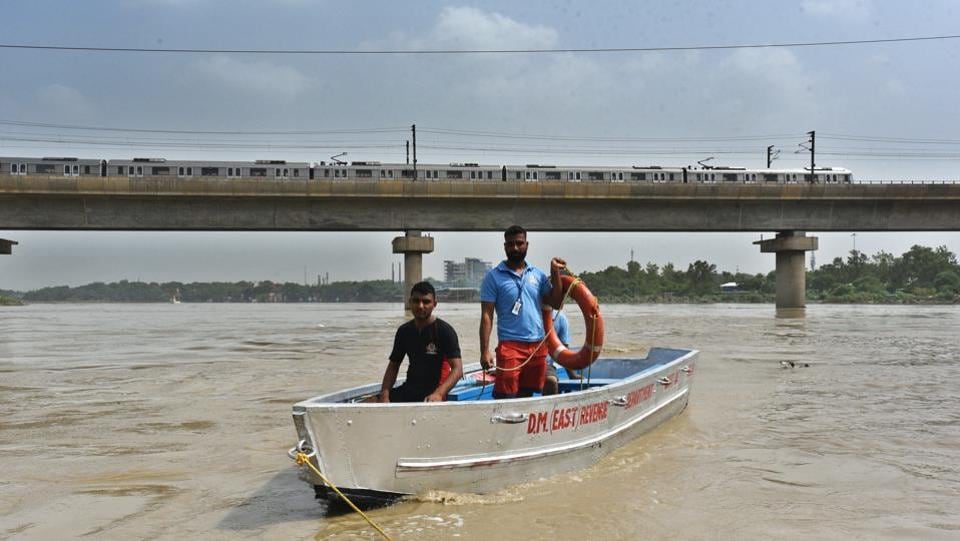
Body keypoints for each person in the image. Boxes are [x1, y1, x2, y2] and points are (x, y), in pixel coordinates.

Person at [480, 225, 565, 399]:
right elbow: (487, 315)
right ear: (505, 247)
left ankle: (525, 425)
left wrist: (555, 273)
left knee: (528, 391)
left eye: (519, 243)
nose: (515, 248)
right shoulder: (494, 277)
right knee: (506, 393)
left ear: (527, 245)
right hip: (510, 345)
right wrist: (485, 350)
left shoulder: (538, 275)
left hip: (537, 345)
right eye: (510, 244)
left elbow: (556, 303)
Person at [379, 282, 463, 403]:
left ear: (435, 304)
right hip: (409, 389)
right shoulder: (404, 331)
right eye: (416, 301)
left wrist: (439, 394)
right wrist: (384, 394)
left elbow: (457, 369)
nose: (421, 306)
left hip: (434, 393)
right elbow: (394, 365)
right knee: (369, 402)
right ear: (410, 302)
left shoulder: (444, 331)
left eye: (426, 302)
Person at [542, 310, 574, 396]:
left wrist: (572, 375)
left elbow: (564, 349)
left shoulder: (560, 318)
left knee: (551, 381)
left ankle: (549, 408)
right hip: (524, 360)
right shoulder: (531, 312)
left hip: (545, 364)